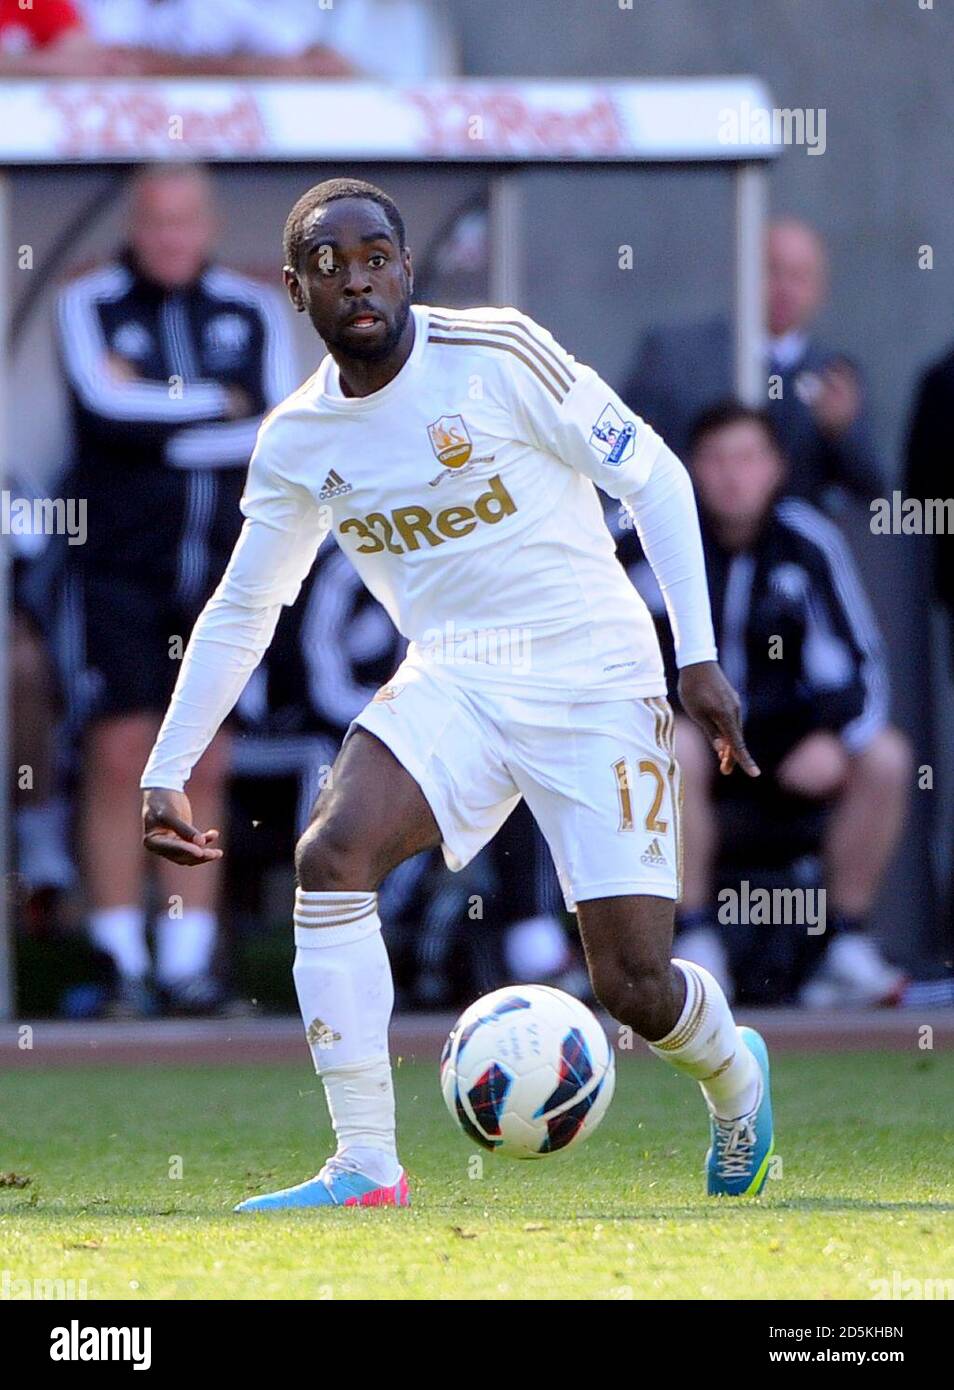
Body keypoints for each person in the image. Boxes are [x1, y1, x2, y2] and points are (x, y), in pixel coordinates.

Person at [141, 177, 775, 1210]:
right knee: (331, 852)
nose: (359, 279)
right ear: (296, 291)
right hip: (458, 674)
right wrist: (168, 765)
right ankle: (366, 1166)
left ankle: (736, 1075)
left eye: (378, 257)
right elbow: (244, 606)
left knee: (633, 983)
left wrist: (697, 657)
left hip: (595, 672)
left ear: (407, 268)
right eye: (330, 264)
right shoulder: (300, 438)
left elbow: (651, 475)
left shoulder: (497, 351)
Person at [58, 163, 298, 1015]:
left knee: (206, 755)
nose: (169, 237)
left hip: (223, 576)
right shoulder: (90, 302)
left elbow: (272, 425)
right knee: (122, 748)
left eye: (184, 221)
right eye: (154, 221)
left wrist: (169, 423)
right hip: (120, 574)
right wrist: (211, 408)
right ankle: (119, 959)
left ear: (207, 224)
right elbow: (101, 408)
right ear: (135, 224)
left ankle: (190, 962)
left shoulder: (251, 306)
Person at [671, 402, 910, 1004]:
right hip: (690, 748)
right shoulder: (652, 540)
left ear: (775, 468)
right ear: (693, 469)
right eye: (718, 459)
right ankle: (693, 942)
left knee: (885, 756)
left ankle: (846, 947)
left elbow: (864, 665)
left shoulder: (809, 542)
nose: (732, 475)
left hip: (787, 752)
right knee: (672, 747)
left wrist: (837, 738)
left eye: (748, 459)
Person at [621, 219, 882, 506]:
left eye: (800, 276)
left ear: (820, 290)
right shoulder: (675, 355)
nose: (785, 288)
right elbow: (627, 454)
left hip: (790, 546)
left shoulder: (835, 375)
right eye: (772, 270)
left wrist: (841, 433)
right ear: (742, 273)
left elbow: (869, 487)